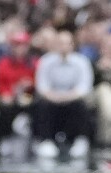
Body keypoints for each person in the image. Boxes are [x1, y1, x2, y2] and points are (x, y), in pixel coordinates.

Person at [33, 31, 94, 160]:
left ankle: (80, 140)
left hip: (72, 99)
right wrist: (55, 97)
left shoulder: (82, 62)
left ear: (73, 45)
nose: (64, 47)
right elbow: (42, 86)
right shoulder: (45, 61)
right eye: (61, 43)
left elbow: (84, 88)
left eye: (67, 43)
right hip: (52, 98)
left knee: (82, 105)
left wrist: (66, 97)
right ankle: (45, 140)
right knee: (41, 104)